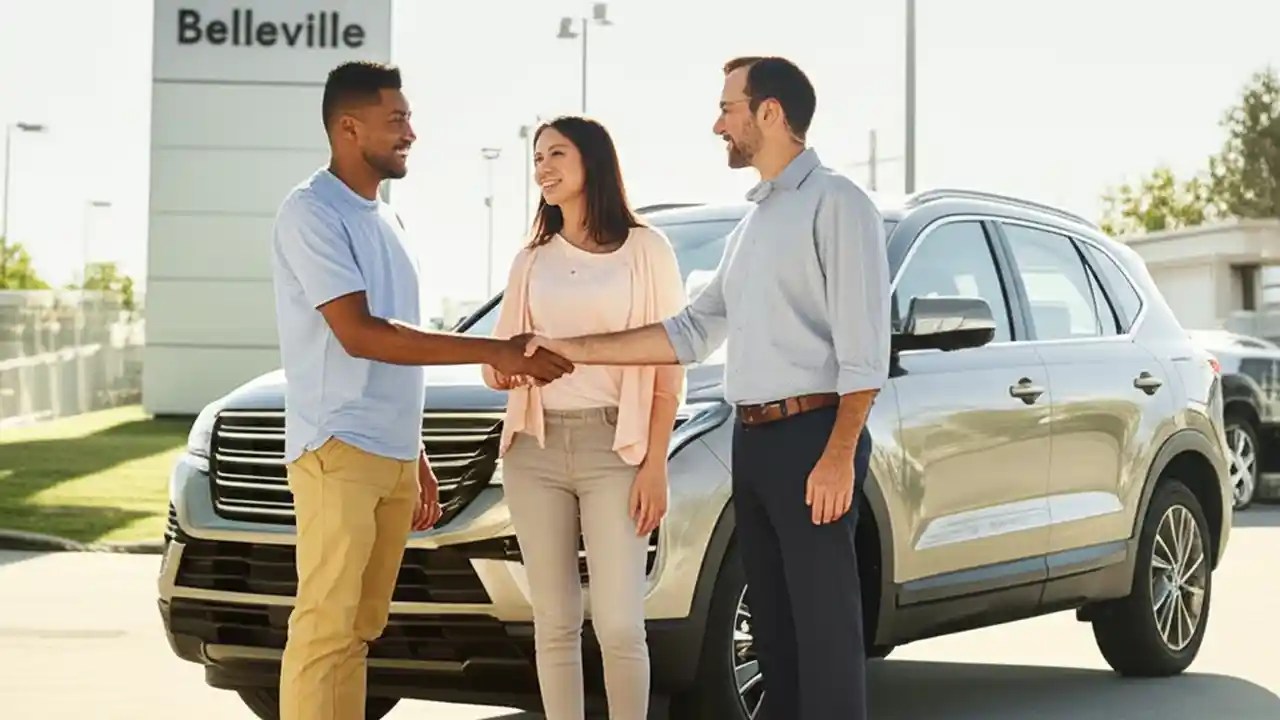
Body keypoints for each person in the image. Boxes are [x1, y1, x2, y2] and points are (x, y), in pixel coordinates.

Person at [523, 56, 890, 720]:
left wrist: (839, 454)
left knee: (824, 632)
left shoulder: (838, 203)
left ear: (769, 112)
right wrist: (573, 351)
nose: (719, 123)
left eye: (729, 108)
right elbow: (691, 331)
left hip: (813, 439)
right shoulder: (753, 225)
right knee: (774, 635)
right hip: (751, 440)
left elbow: (866, 352)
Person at [269, 61, 574, 720]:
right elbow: (362, 333)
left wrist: (418, 452)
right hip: (336, 450)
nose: (411, 132)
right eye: (396, 119)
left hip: (390, 456)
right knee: (326, 629)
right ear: (349, 127)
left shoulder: (386, 222)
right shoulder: (311, 212)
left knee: (358, 634)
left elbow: (398, 353)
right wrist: (493, 351)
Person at [480, 115, 687, 720]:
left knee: (621, 624)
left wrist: (656, 464)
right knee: (555, 622)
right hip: (534, 450)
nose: (542, 166)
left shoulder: (648, 250)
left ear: (592, 162)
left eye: (555, 154)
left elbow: (669, 362)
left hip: (615, 450)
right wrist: (511, 368)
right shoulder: (531, 259)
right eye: (537, 157)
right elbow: (495, 363)